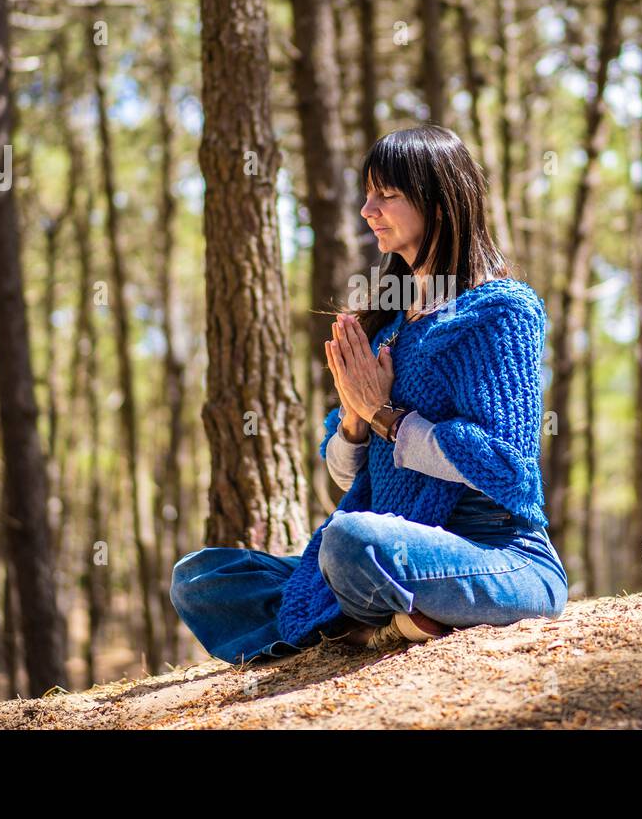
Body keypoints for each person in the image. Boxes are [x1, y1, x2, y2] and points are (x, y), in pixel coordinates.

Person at [169, 123, 568, 665]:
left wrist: (385, 415)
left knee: (353, 542)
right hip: (390, 543)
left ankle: (369, 623)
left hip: (494, 551)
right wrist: (357, 418)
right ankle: (381, 624)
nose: (367, 209)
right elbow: (350, 475)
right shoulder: (386, 326)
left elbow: (506, 468)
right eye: (367, 193)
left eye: (387, 194)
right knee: (203, 577)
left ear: (439, 200)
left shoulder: (499, 310)